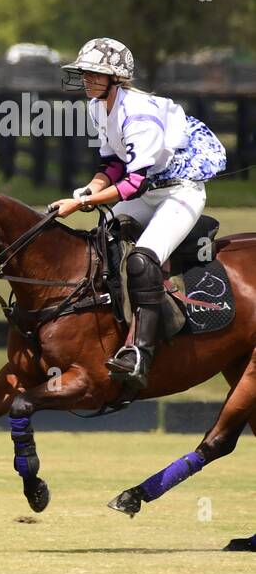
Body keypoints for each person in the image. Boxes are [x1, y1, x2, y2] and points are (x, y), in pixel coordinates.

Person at [49, 37, 226, 389]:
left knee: (143, 259)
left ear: (116, 78)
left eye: (93, 73)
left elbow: (134, 184)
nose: (85, 78)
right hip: (147, 190)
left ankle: (140, 354)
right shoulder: (98, 106)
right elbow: (113, 164)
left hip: (178, 193)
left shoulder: (139, 115)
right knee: (102, 244)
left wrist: (82, 204)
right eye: (84, 72)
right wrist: (89, 190)